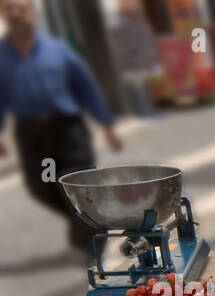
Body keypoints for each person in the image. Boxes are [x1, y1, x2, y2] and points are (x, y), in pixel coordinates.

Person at [0, 0, 123, 252]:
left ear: (32, 15)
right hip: (32, 135)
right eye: (8, 9)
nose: (15, 15)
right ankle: (86, 223)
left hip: (67, 130)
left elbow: (85, 87)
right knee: (42, 186)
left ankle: (90, 246)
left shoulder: (57, 50)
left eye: (20, 9)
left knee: (76, 184)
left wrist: (107, 125)